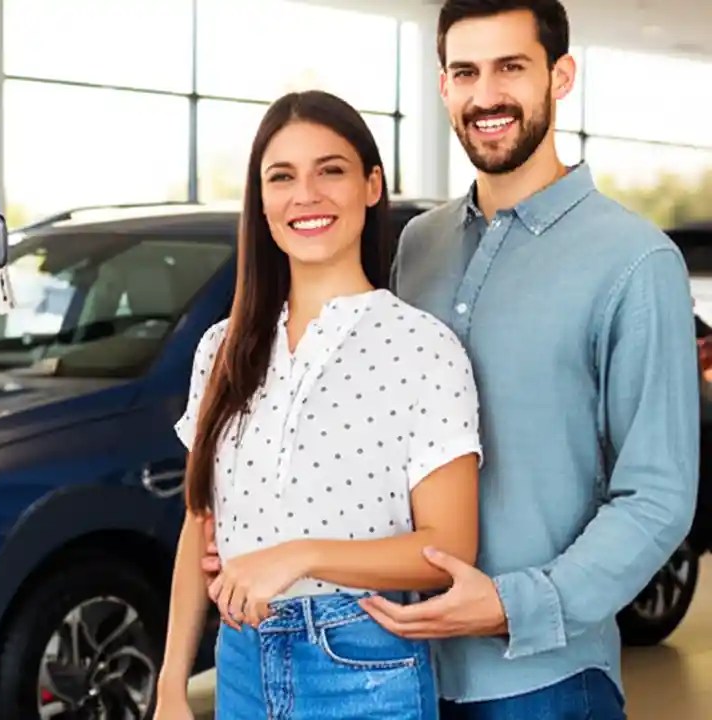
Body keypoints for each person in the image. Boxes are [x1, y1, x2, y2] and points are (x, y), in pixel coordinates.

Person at [202, 2, 700, 718]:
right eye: (465, 72)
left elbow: (658, 496)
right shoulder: (419, 244)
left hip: (541, 679)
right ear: (443, 87)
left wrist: (514, 604)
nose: (486, 95)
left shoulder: (635, 261)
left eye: (511, 68)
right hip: (390, 669)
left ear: (560, 77)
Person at [154, 89, 484, 720]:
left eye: (330, 170)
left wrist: (299, 555)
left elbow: (449, 548)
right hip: (241, 665)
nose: (305, 195)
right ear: (261, 201)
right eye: (282, 177)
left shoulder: (423, 347)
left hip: (366, 671)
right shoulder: (221, 348)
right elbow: (199, 527)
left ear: (371, 185)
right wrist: (171, 684)